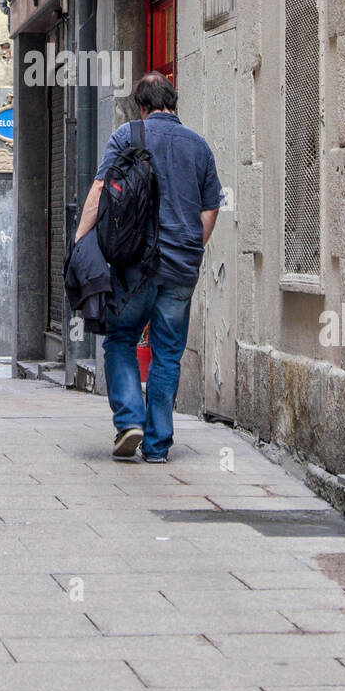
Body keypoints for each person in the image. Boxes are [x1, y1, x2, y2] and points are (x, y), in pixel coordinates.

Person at [74, 71, 222, 464]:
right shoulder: (199, 146)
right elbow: (211, 208)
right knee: (167, 353)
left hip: (134, 265)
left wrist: (80, 242)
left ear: (140, 106)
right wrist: (192, 247)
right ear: (173, 103)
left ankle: (129, 421)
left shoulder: (127, 136)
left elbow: (101, 188)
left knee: (121, 338)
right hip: (180, 268)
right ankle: (158, 446)